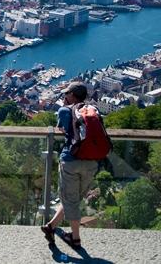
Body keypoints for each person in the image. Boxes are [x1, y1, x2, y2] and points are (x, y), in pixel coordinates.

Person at [41, 81, 100, 249]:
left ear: (72, 96)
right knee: (73, 199)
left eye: (66, 94)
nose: (64, 97)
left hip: (71, 160)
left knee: (70, 200)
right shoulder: (94, 110)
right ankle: (51, 226)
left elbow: (61, 128)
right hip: (91, 160)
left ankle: (75, 238)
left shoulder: (65, 110)